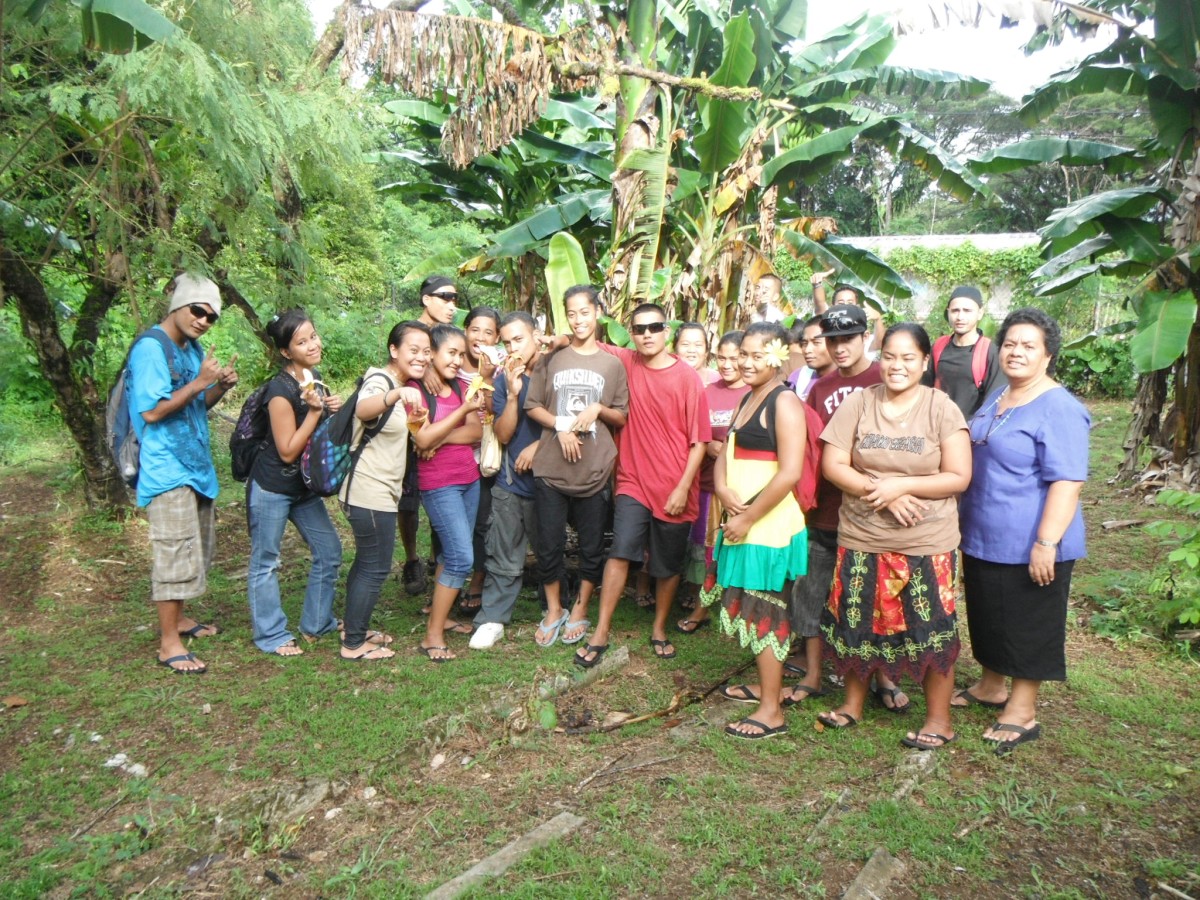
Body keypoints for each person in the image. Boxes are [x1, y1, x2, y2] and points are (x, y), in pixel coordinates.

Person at [817, 323, 972, 750]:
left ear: (925, 362)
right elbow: (834, 464)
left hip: (927, 540)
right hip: (863, 536)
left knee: (932, 627)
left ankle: (938, 719)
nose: (897, 365)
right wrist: (879, 493)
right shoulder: (858, 402)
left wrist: (901, 487)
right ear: (879, 357)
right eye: (889, 356)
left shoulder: (942, 409)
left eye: (908, 357)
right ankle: (852, 704)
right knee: (855, 619)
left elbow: (959, 476)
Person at [955, 308, 1089, 756]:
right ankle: (992, 684)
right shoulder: (1001, 396)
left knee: (1030, 621)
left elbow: (1067, 481)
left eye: (1028, 345)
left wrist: (1046, 543)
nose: (1016, 352)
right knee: (989, 612)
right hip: (984, 534)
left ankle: (1022, 709)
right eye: (1010, 343)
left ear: (1048, 354)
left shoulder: (1059, 407)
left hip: (1033, 538)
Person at [571, 303, 711, 666]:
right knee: (620, 551)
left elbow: (699, 443)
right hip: (633, 482)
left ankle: (659, 628)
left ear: (667, 332)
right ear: (631, 334)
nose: (646, 334)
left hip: (676, 487)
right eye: (639, 329)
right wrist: (556, 337)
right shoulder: (627, 362)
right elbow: (588, 342)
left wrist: (682, 487)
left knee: (667, 564)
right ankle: (601, 630)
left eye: (654, 327)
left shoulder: (687, 379)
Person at [702, 323, 808, 739]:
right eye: (741, 353)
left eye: (756, 355)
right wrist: (724, 489)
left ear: (778, 357)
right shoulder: (750, 397)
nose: (746, 362)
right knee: (753, 609)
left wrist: (746, 517)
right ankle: (768, 691)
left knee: (766, 615)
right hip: (742, 522)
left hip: (768, 530)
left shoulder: (784, 403)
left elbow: (790, 473)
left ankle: (771, 711)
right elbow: (725, 453)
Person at [129, 274, 238, 674]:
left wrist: (218, 387)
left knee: (193, 550)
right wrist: (200, 382)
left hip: (194, 467)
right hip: (166, 468)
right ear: (178, 304)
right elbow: (153, 411)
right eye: (198, 310)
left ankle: (181, 621)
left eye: (212, 317)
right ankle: (168, 642)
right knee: (173, 553)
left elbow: (194, 404)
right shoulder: (150, 348)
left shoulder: (190, 348)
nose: (204, 320)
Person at [526, 286, 628, 647]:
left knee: (591, 546)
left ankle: (582, 607)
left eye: (585, 312)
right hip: (552, 469)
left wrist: (598, 410)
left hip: (594, 471)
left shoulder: (612, 365)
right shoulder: (551, 359)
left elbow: (621, 415)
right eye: (571, 313)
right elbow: (533, 405)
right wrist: (562, 425)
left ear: (597, 312)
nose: (578, 319)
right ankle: (554, 608)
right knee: (549, 544)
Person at [247, 310, 344, 657]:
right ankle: (271, 635)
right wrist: (316, 413)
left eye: (313, 336)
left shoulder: (311, 376)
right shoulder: (279, 390)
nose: (313, 344)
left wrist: (330, 409)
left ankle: (317, 622)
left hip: (302, 488)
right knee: (266, 561)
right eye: (302, 342)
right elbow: (288, 451)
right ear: (286, 352)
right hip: (272, 487)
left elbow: (314, 435)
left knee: (330, 552)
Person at [337, 321, 429, 661]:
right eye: (413, 350)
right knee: (375, 566)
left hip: (377, 489)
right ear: (394, 350)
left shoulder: (403, 386)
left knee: (366, 563)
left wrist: (415, 417)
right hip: (368, 488)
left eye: (426, 352)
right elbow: (364, 409)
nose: (421, 357)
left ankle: (354, 627)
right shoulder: (381, 380)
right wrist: (394, 395)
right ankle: (354, 644)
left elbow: (411, 438)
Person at [469, 311, 544, 649]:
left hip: (551, 480)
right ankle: (493, 618)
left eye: (520, 339)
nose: (514, 347)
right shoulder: (502, 379)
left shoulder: (555, 372)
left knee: (550, 549)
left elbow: (572, 421)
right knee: (504, 552)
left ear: (536, 336)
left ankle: (556, 610)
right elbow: (501, 432)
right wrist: (513, 395)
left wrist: (539, 445)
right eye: (507, 341)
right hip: (511, 479)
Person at [411, 324, 485, 662]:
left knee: (449, 556)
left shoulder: (457, 386)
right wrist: (459, 415)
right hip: (439, 483)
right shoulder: (415, 389)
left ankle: (443, 615)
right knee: (461, 557)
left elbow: (475, 433)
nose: (457, 360)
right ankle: (433, 635)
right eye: (451, 353)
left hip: (468, 478)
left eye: (460, 353)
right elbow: (420, 439)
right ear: (433, 354)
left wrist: (438, 436)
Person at [677, 330, 749, 630]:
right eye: (722, 358)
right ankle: (701, 606)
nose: (728, 364)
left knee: (738, 548)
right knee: (705, 549)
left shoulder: (755, 393)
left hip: (744, 489)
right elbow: (693, 435)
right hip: (707, 484)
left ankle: (735, 605)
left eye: (735, 358)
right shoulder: (707, 392)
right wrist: (710, 446)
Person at [400, 274, 461, 596]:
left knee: (445, 499)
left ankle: (444, 562)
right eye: (445, 297)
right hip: (411, 422)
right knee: (408, 499)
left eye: (455, 299)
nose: (451, 304)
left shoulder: (450, 336)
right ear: (426, 299)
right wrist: (425, 371)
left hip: (444, 428)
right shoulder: (412, 331)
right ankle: (411, 560)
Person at [458, 306, 502, 615]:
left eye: (488, 332)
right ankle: (447, 581)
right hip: (455, 454)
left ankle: (477, 580)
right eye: (475, 330)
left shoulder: (500, 368)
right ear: (465, 330)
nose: (481, 337)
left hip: (485, 455)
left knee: (481, 522)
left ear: (497, 337)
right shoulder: (449, 364)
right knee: (448, 522)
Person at [926, 285, 1005, 418]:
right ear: (948, 312)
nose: (960, 317)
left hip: (970, 431)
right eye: (955, 310)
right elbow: (924, 388)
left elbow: (993, 402)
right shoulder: (938, 347)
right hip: (936, 426)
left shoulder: (990, 352)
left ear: (980, 313)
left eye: (967, 311)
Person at [813, 277, 885, 352]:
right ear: (833, 305)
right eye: (841, 303)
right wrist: (817, 284)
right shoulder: (827, 323)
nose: (845, 306)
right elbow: (820, 305)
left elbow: (878, 344)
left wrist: (878, 319)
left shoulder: (861, 331)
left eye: (850, 303)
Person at [786, 315, 836, 402]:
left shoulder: (847, 381)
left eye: (816, 342)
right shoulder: (799, 376)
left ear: (834, 343)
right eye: (804, 343)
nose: (807, 350)